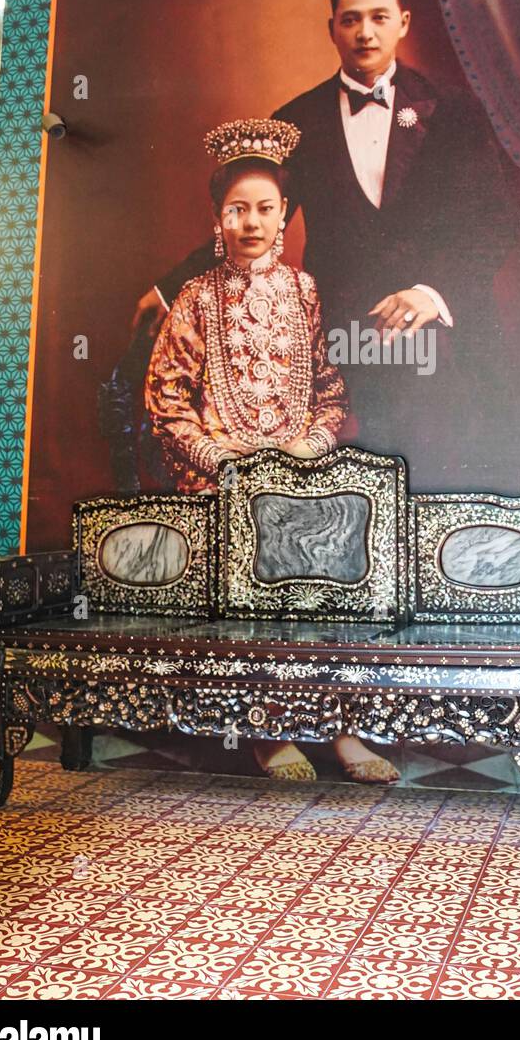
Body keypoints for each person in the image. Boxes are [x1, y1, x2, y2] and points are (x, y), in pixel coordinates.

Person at [135, 0, 520, 488]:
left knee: (452, 479)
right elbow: (251, 219)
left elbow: (495, 221)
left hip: (447, 337)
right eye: (351, 20)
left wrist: (430, 292)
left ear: (404, 23)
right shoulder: (297, 122)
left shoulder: (454, 111)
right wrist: (169, 289)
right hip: (348, 342)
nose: (365, 33)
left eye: (379, 18)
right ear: (332, 29)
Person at [145, 117, 399, 784]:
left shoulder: (304, 291)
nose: (251, 222)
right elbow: (166, 402)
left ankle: (341, 727)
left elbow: (328, 387)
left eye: (264, 208)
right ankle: (265, 729)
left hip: (301, 470)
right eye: (238, 210)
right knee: (260, 559)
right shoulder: (196, 300)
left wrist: (310, 445)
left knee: (342, 556)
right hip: (222, 481)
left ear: (284, 214)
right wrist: (225, 461)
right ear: (218, 218)